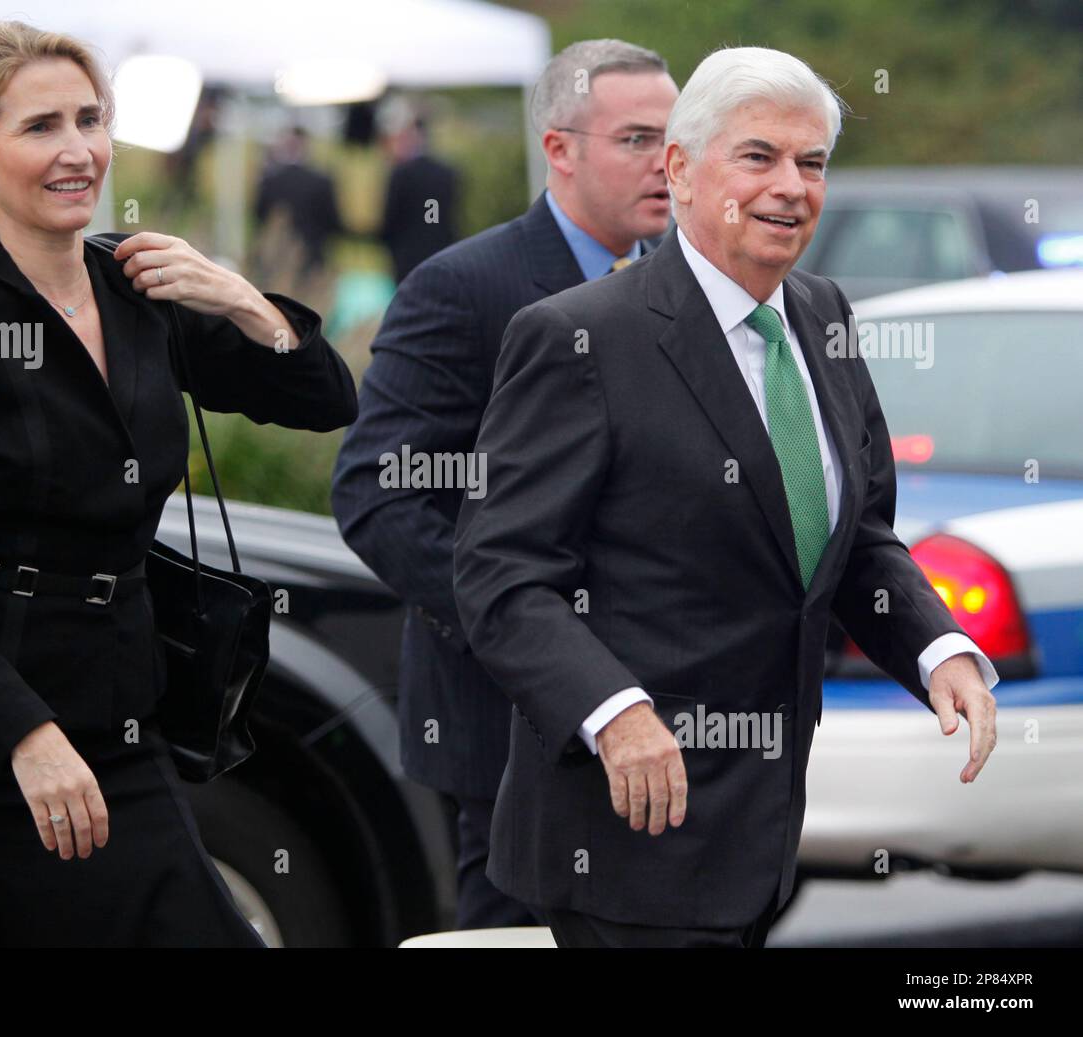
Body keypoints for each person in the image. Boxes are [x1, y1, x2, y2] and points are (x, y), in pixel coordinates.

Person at [0, 19, 357, 947]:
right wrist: (25, 733)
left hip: (112, 729)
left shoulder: (141, 288)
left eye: (91, 120)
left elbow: (325, 400)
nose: (79, 151)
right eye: (41, 126)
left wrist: (244, 301)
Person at [452, 46, 1000, 948]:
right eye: (758, 157)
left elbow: (855, 537)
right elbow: (501, 577)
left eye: (812, 162)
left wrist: (937, 646)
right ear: (680, 168)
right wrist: (614, 712)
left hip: (763, 830)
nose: (791, 186)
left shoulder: (821, 314)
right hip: (626, 834)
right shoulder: (580, 338)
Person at [331, 39, 678, 930]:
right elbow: (378, 496)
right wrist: (533, 636)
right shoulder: (463, 286)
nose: (666, 163)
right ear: (559, 149)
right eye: (637, 138)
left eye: (678, 138)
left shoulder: (686, 287)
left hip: (669, 723)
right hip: (510, 732)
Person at [377, 110, 460, 283]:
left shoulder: (401, 173)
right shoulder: (446, 172)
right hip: (441, 250)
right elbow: (439, 215)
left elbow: (391, 218)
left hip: (407, 256)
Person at [253, 126, 343, 277]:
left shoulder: (270, 180)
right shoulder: (321, 181)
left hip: (275, 256)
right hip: (312, 255)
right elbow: (333, 222)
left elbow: (259, 216)